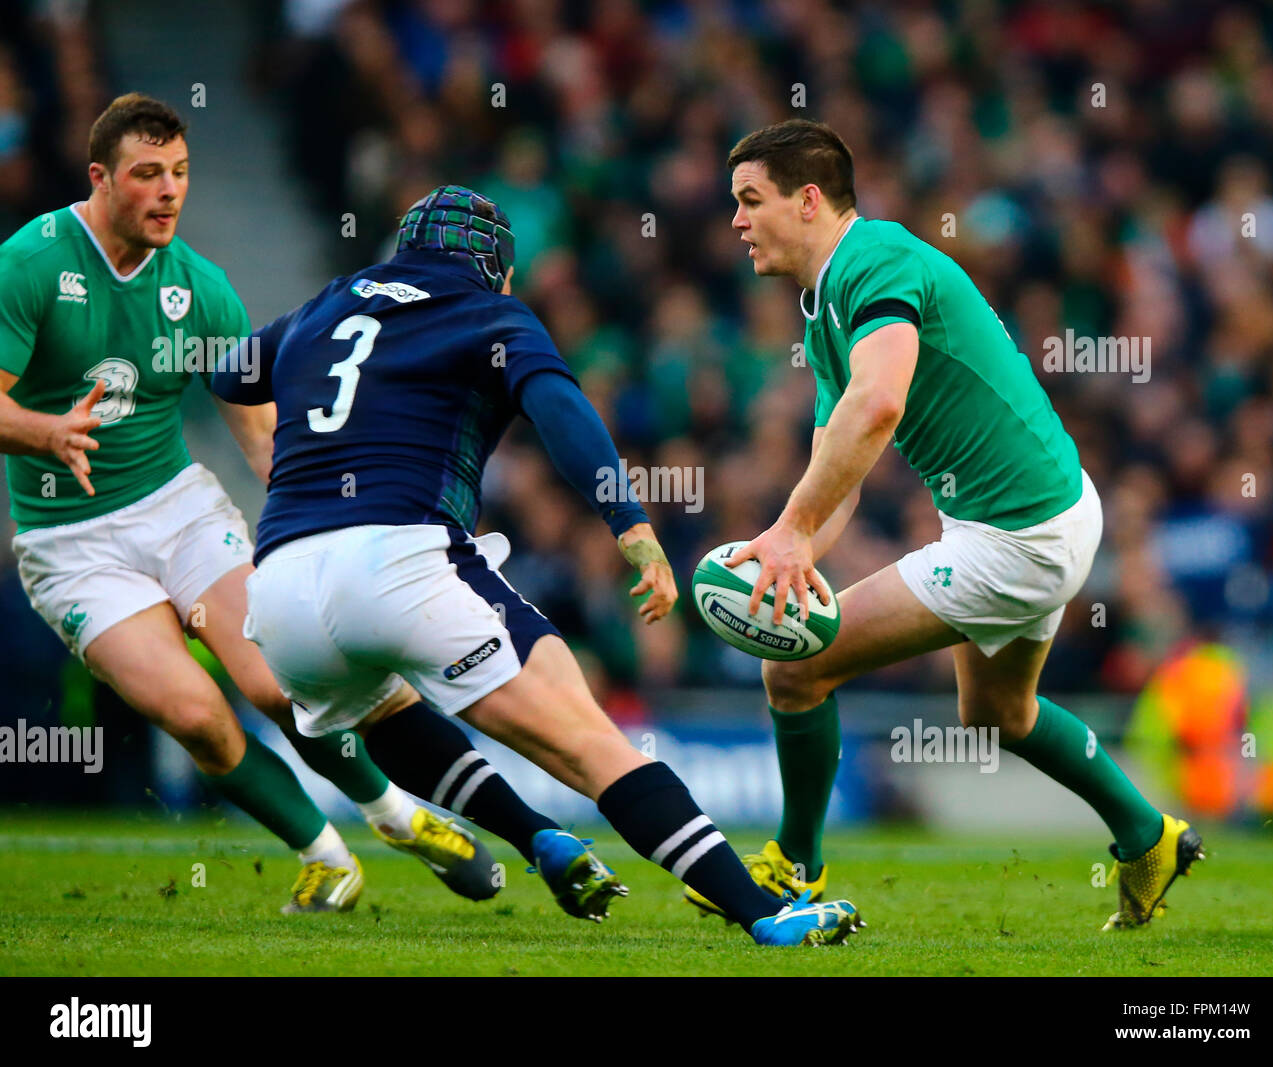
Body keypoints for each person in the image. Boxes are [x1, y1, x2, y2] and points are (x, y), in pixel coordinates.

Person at [212, 185, 862, 945]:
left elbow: (228, 373)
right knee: (594, 745)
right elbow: (560, 407)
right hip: (399, 558)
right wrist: (631, 524)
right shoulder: (489, 309)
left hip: (282, 583)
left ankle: (533, 834)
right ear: (497, 268)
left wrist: (271, 458)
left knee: (386, 709)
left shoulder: (327, 303)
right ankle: (763, 912)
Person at [0, 92, 516, 913]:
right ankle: (325, 855)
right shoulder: (29, 264)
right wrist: (42, 433)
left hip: (179, 509)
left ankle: (397, 815)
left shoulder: (202, 291)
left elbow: (262, 436)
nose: (169, 191)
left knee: (282, 684)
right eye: (147, 175)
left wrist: (334, 516)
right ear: (99, 178)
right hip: (70, 540)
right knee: (197, 714)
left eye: (180, 173)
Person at [689, 119, 1203, 931]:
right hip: (1045, 512)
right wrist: (786, 553)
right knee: (999, 714)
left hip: (1013, 539)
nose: (738, 220)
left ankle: (794, 865)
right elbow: (841, 467)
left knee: (795, 671)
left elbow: (882, 401)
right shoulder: (828, 300)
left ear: (809, 199)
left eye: (751, 200)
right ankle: (1149, 835)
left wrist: (792, 531)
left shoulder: (874, 260)